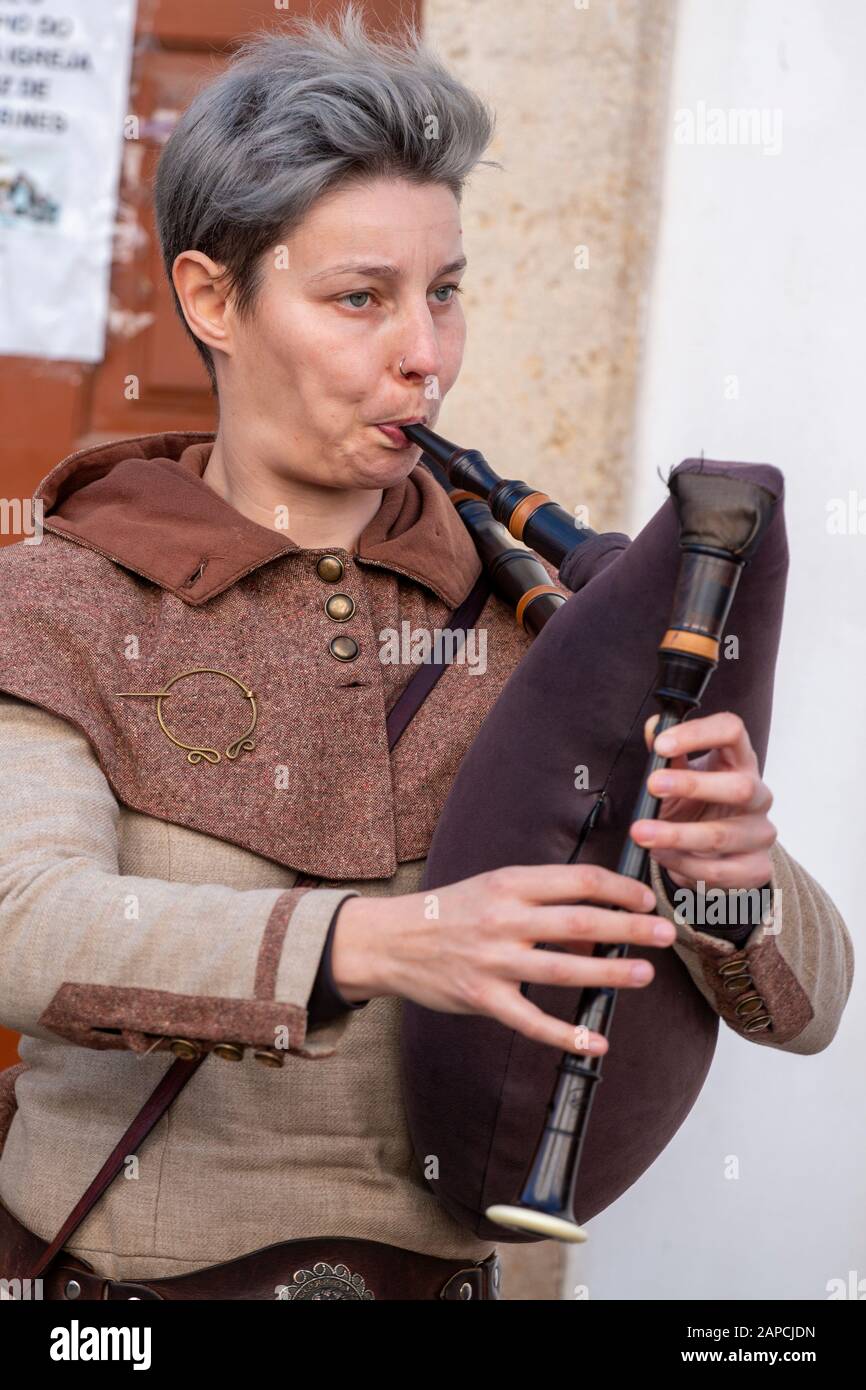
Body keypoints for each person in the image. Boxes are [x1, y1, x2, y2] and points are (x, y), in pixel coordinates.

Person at [0, 6, 853, 1301]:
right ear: (210, 297)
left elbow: (805, 1012)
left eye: (443, 293)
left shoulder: (550, 613)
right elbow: (27, 927)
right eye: (360, 299)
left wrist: (726, 876)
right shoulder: (61, 592)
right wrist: (379, 943)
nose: (426, 356)